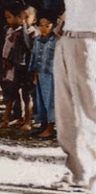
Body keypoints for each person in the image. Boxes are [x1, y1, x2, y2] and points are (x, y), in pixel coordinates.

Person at [52, 0, 96, 194]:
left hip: (90, 46)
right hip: (65, 43)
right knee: (66, 111)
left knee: (91, 111)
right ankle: (77, 171)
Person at [0, 1, 34, 130]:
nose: (23, 20)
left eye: (26, 18)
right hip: (14, 67)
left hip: (25, 68)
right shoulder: (12, 31)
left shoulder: (31, 33)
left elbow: (30, 48)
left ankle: (28, 121)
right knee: (11, 94)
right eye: (21, 18)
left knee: (26, 95)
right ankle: (7, 119)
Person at [29, 10, 57, 140]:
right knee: (40, 100)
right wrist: (35, 75)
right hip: (40, 74)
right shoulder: (37, 40)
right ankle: (43, 125)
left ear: (53, 26)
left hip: (52, 76)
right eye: (41, 25)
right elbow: (34, 57)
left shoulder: (56, 41)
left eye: (47, 25)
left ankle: (51, 128)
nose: (44, 28)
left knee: (50, 100)